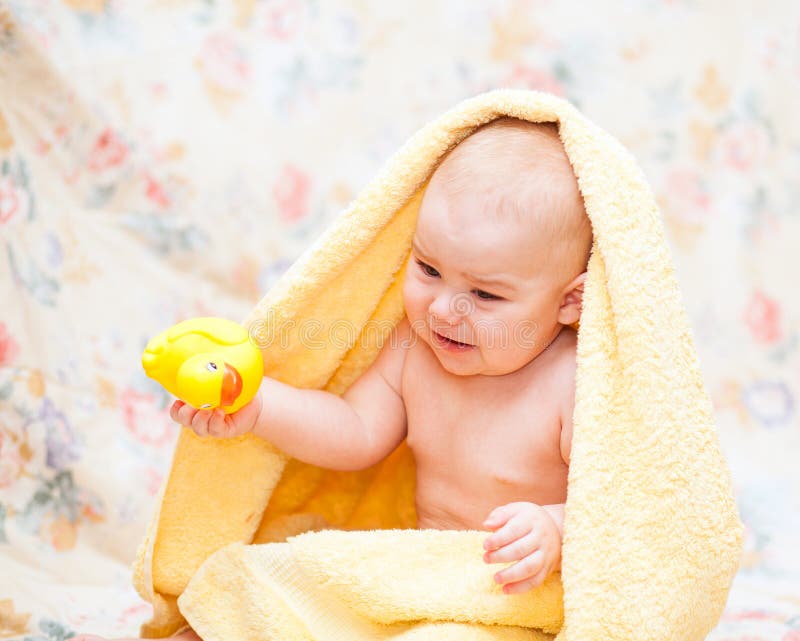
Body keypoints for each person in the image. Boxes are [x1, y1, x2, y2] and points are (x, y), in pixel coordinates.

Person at [71, 117, 592, 641]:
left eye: (485, 295)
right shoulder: (416, 351)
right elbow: (355, 430)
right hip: (420, 577)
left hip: (521, 598)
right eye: (428, 269)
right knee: (254, 582)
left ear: (569, 301)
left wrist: (555, 526)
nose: (443, 308)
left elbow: (626, 505)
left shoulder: (574, 384)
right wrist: (257, 405)